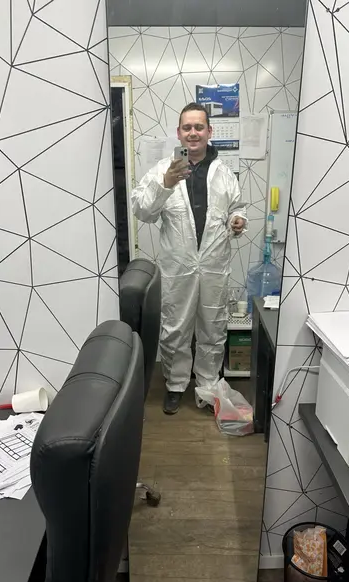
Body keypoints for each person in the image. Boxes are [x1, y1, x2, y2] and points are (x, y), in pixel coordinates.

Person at [131, 102, 247, 415]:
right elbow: (142, 211)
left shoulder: (224, 174)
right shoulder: (163, 170)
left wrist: (238, 220)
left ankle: (208, 386)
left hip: (214, 265)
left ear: (210, 132)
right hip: (178, 266)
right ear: (179, 133)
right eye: (187, 127)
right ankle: (176, 384)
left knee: (213, 327)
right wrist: (166, 184)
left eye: (199, 127)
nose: (193, 133)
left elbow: (237, 207)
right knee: (175, 328)